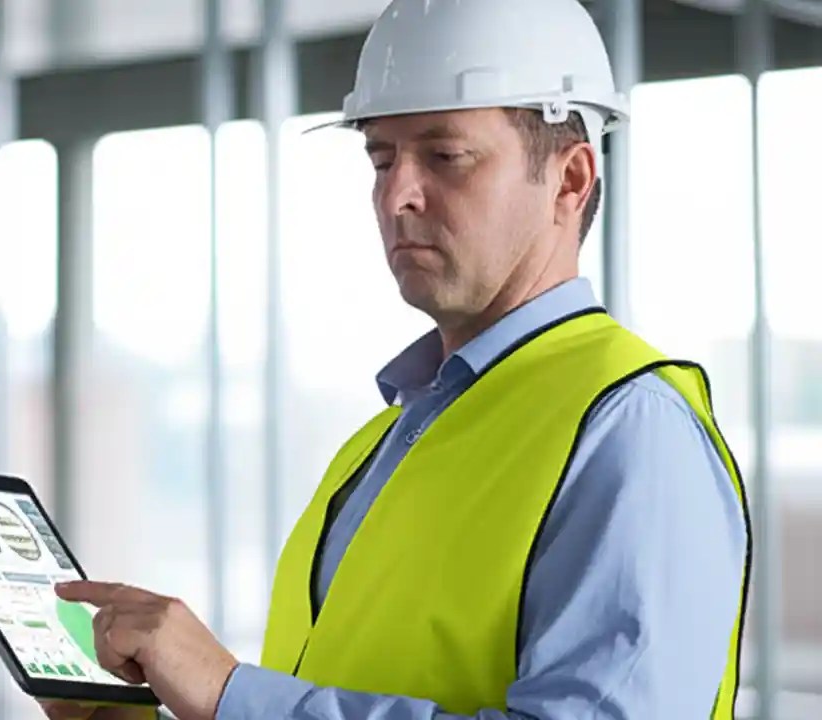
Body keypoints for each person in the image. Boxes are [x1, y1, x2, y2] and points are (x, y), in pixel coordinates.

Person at [43, 0, 751, 718]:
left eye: (446, 157)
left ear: (569, 180)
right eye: (381, 159)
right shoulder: (383, 446)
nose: (397, 195)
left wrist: (229, 693)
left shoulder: (631, 431)